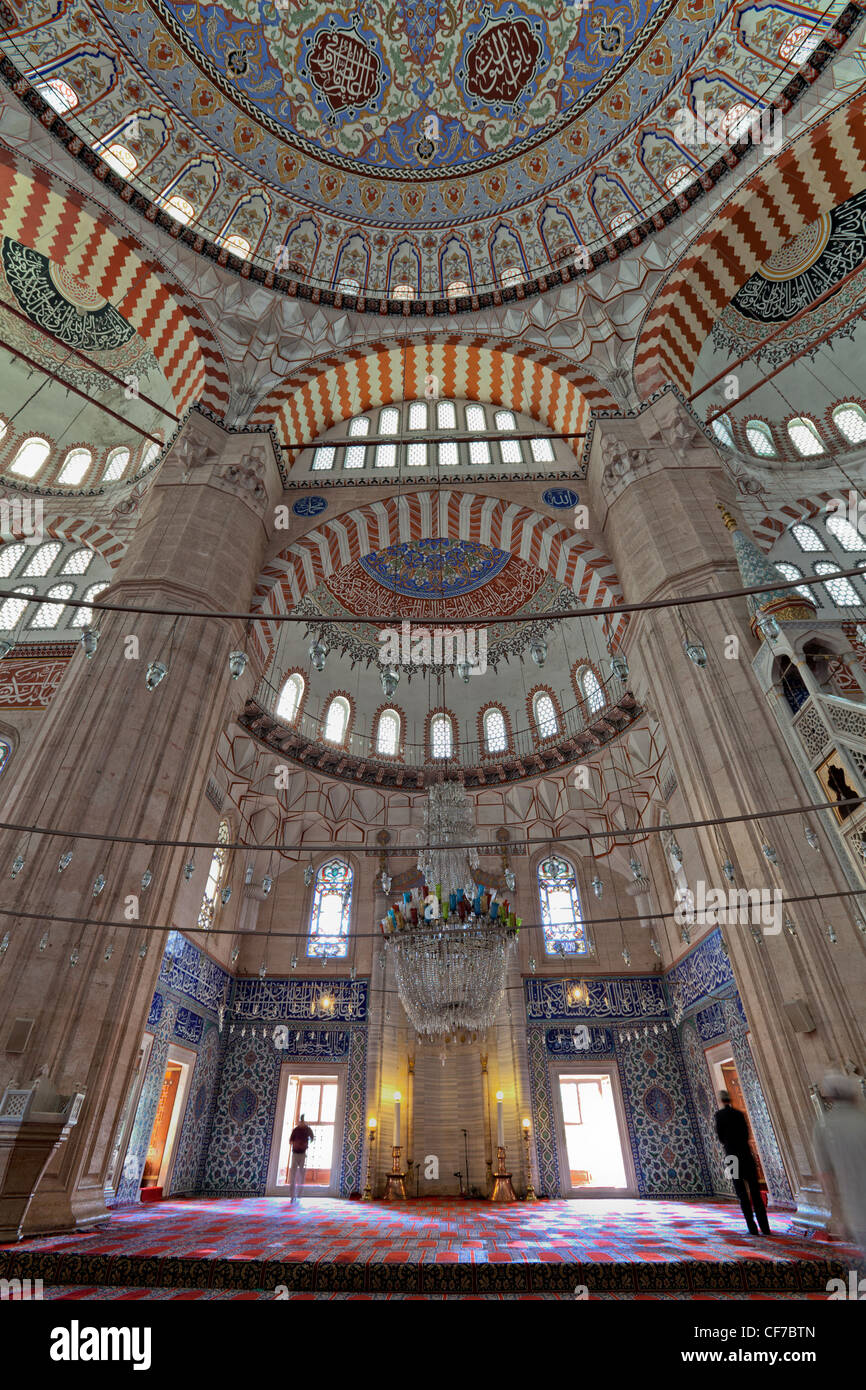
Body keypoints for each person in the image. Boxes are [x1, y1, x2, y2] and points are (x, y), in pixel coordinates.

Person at [812, 1073, 866, 1266]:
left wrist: (838, 1214)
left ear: (830, 1097)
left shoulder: (823, 1126)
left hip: (857, 1210)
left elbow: (825, 1175)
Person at [714, 1090, 771, 1236]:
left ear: (721, 1101)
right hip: (746, 1154)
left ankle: (752, 1228)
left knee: (742, 1193)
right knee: (755, 1192)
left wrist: (729, 1143)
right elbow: (746, 1133)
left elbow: (720, 1137)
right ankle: (765, 1227)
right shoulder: (739, 1114)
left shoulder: (719, 1116)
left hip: (732, 1156)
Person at [288, 1113, 315, 1204]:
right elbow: (291, 1140)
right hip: (295, 1154)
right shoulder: (296, 1130)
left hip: (302, 1154)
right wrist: (297, 1144)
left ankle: (298, 1194)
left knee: (301, 1175)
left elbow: (312, 1137)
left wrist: (305, 1144)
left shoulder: (307, 1129)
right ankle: (292, 1196)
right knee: (293, 1175)